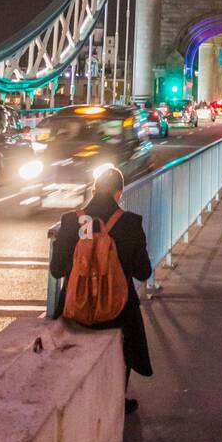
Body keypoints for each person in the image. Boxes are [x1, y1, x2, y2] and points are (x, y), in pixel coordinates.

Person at [49, 164, 152, 415]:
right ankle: (116, 397)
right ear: (120, 193)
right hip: (116, 312)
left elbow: (57, 270)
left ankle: (72, 398)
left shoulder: (71, 221)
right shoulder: (130, 223)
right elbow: (143, 272)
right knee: (130, 325)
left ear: (93, 190)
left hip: (75, 307)